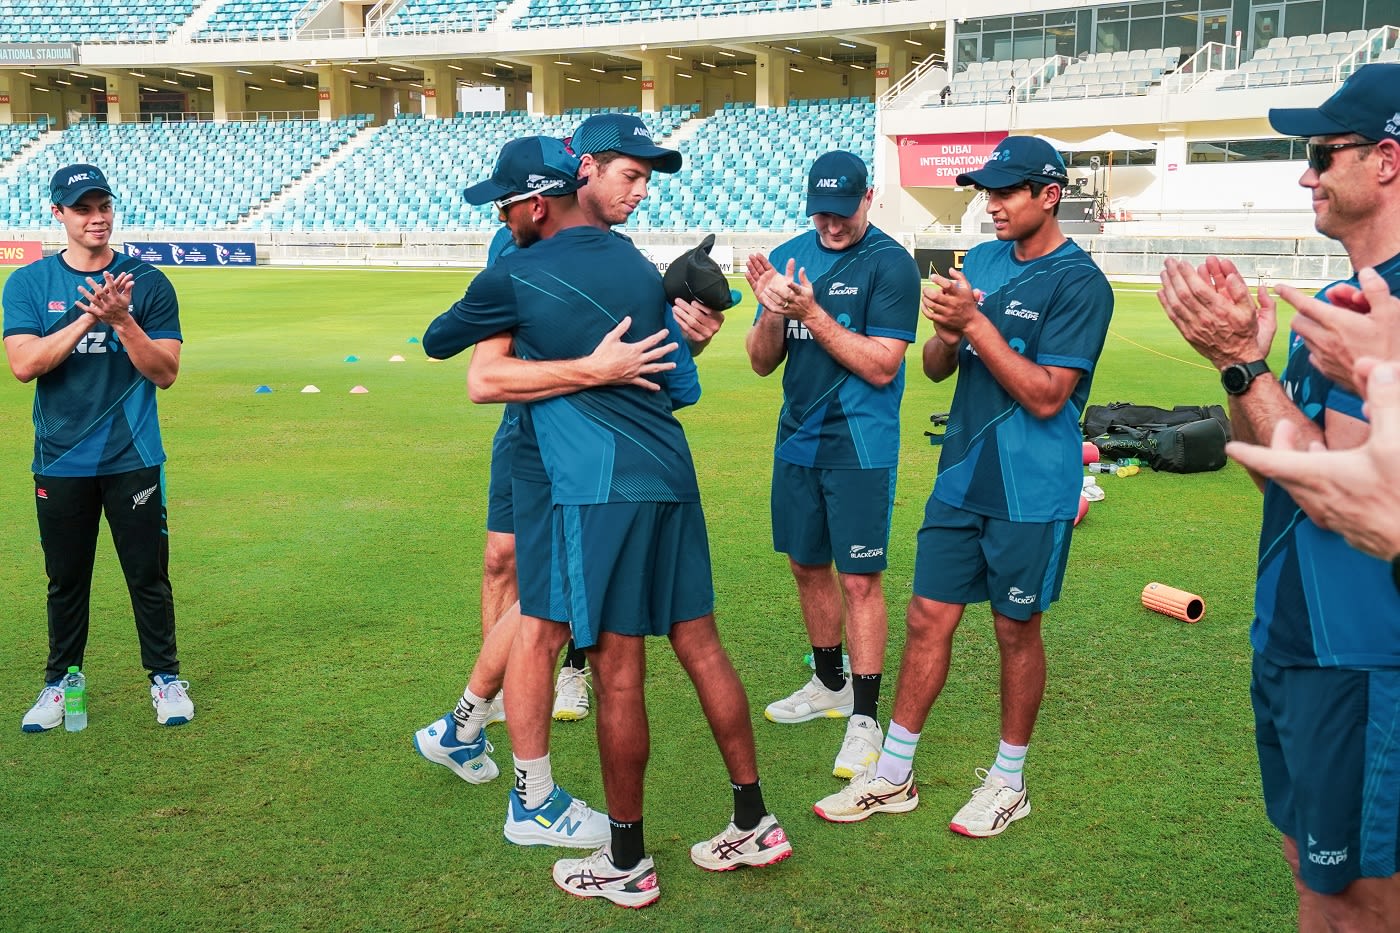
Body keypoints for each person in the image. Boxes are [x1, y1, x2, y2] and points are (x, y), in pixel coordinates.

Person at [426, 135, 789, 909]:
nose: (499, 215)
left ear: (531, 204)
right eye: (632, 174)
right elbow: (678, 386)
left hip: (595, 489)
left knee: (618, 668)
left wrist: (577, 360)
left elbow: (453, 357)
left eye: (503, 203)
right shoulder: (636, 268)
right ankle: (753, 820)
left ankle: (625, 857)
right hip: (671, 473)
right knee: (700, 640)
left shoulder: (514, 269)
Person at [1155, 63, 1400, 929]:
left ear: (1387, 161)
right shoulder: (1336, 300)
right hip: (1298, 637)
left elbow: (1352, 500)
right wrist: (1244, 368)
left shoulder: (1391, 305)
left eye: (1321, 152)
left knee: (1364, 902)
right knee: (1312, 877)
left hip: (1364, 656)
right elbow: (1273, 464)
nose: (1305, 173)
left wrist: (1244, 364)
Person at [813, 136, 1113, 837]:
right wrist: (947, 331)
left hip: (1032, 486)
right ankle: (893, 772)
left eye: (1007, 191)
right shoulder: (977, 261)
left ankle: (1009, 781)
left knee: (1015, 629)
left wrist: (974, 320)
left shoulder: (1080, 283)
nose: (992, 204)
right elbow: (938, 366)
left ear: (1049, 194)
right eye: (987, 191)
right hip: (960, 476)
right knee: (925, 618)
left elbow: (1046, 395)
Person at [744, 150, 921, 780]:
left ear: (868, 198)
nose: (831, 226)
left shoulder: (893, 266)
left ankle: (865, 718)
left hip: (859, 443)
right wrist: (769, 307)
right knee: (805, 563)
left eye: (842, 213)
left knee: (859, 580)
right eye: (821, 213)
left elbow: (881, 364)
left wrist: (811, 314)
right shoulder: (791, 251)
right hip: (797, 439)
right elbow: (762, 362)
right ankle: (828, 682)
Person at [3, 163, 194, 731]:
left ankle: (164, 678)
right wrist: (91, 317)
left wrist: (123, 321)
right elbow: (25, 365)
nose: (97, 218)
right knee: (65, 578)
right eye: (82, 208)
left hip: (133, 456)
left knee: (147, 575)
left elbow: (165, 373)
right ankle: (60, 683)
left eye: (103, 206)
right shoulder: (29, 284)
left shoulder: (148, 282)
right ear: (58, 214)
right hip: (60, 460)